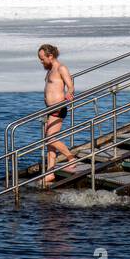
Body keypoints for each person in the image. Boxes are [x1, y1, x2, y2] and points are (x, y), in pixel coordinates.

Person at [38, 44, 75, 184]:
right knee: (49, 144)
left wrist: (69, 93)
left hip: (58, 108)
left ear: (50, 56)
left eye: (42, 59)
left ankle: (71, 158)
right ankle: (50, 172)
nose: (41, 62)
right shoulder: (50, 70)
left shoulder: (61, 68)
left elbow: (70, 85)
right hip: (50, 110)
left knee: (50, 138)